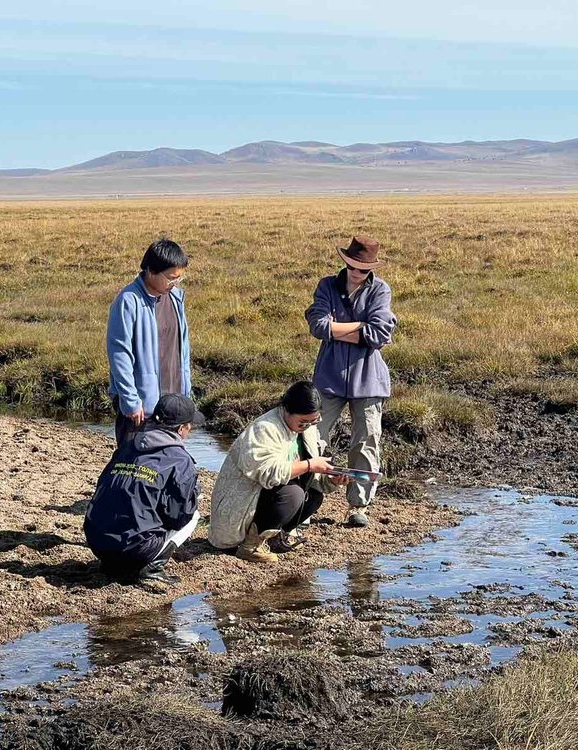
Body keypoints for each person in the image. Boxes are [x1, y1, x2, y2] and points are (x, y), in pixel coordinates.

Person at [304, 236, 397, 528]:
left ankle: (359, 505)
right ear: (345, 263)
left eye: (364, 270)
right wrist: (360, 326)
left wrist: (337, 328)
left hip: (368, 380)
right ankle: (305, 498)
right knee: (312, 437)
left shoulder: (380, 290)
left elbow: (379, 334)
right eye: (353, 268)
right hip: (330, 377)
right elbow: (318, 326)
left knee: (366, 442)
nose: (357, 274)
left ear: (371, 270)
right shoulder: (327, 285)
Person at [207, 381, 351, 563]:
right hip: (241, 506)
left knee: (314, 496)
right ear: (285, 410)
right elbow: (269, 474)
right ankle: (250, 546)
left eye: (313, 421)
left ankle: (274, 537)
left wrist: (332, 480)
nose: (307, 427)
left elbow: (312, 478)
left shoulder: (308, 430)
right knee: (293, 494)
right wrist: (309, 465)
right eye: (303, 423)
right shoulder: (264, 429)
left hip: (268, 497)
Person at [84, 393, 205, 586]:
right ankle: (151, 567)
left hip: (97, 542)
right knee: (194, 513)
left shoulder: (127, 446)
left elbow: (103, 486)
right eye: (189, 426)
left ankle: (112, 563)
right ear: (182, 428)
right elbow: (179, 516)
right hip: (134, 549)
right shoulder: (181, 460)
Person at [106, 237, 192, 446]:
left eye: (179, 279)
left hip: (173, 404)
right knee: (133, 466)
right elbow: (120, 354)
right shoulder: (128, 301)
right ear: (151, 271)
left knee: (168, 461)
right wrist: (131, 401)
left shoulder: (175, 298)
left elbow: (183, 351)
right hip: (142, 408)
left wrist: (187, 398)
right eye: (171, 278)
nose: (175, 284)